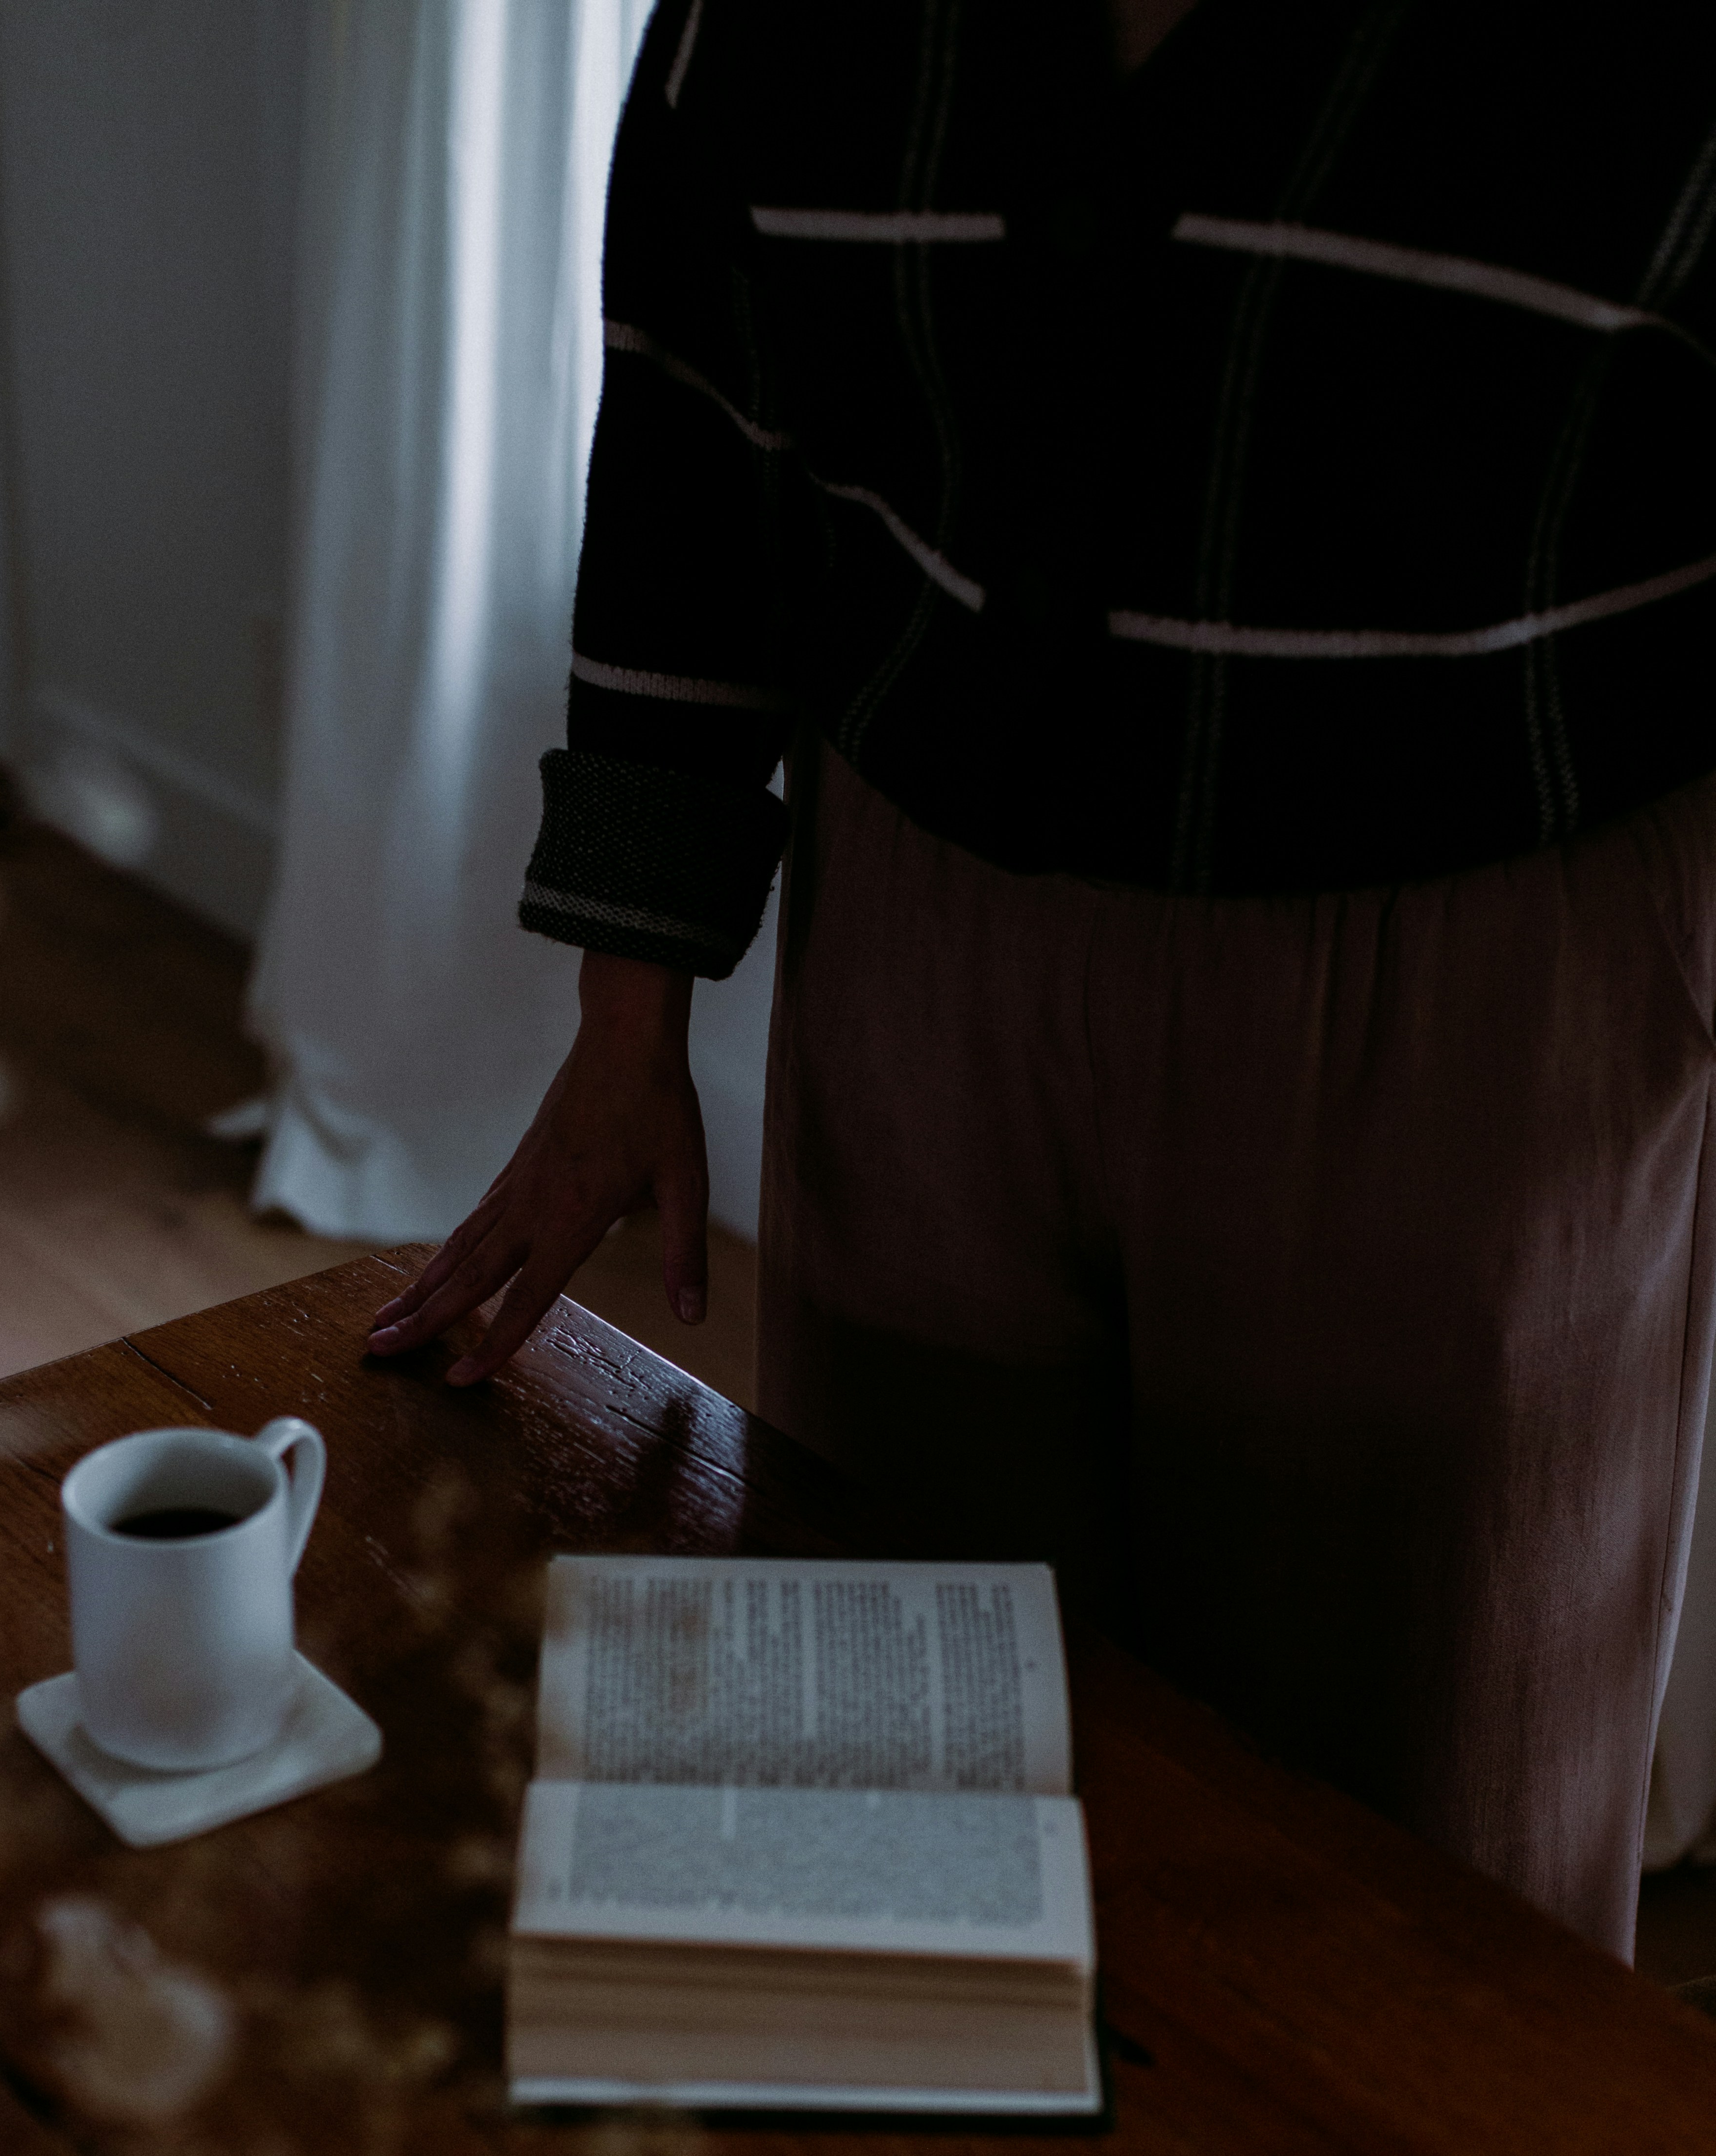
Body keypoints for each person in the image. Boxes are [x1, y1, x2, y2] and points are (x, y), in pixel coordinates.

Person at [368, 0, 1716, 1957]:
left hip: (1473, 992)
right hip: (923, 945)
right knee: (890, 1779)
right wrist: (625, 1008)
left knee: (1409, 1864)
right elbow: (693, 437)